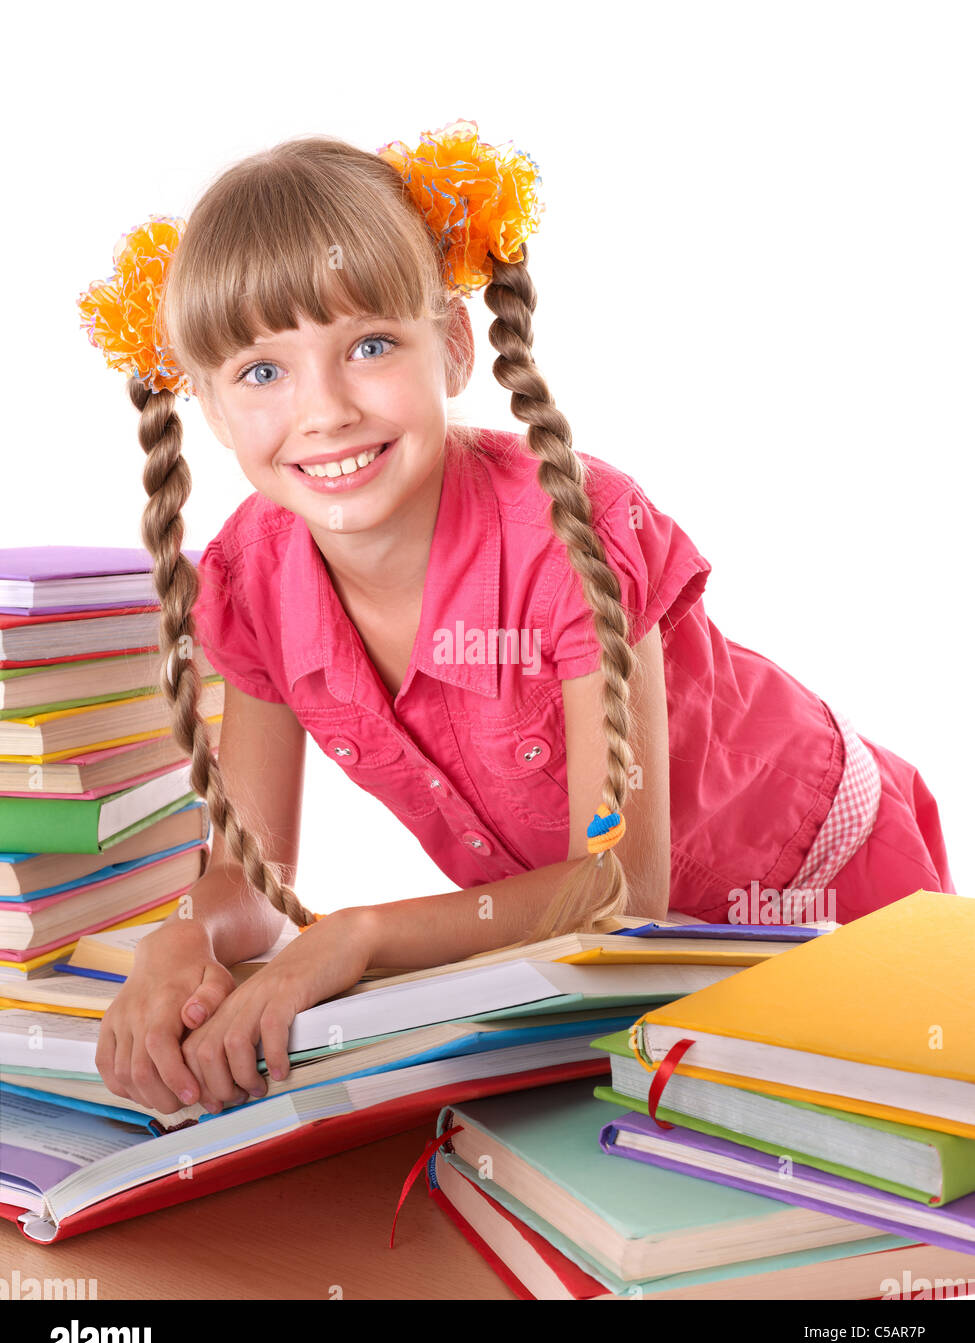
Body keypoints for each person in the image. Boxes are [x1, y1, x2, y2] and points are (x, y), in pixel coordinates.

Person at [77, 120, 955, 1121]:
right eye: (263, 372)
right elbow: (249, 878)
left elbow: (622, 881)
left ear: (452, 345)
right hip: (613, 974)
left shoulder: (570, 535)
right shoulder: (251, 579)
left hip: (828, 888)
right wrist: (182, 937)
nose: (322, 411)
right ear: (211, 407)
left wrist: (361, 933)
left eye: (369, 345)